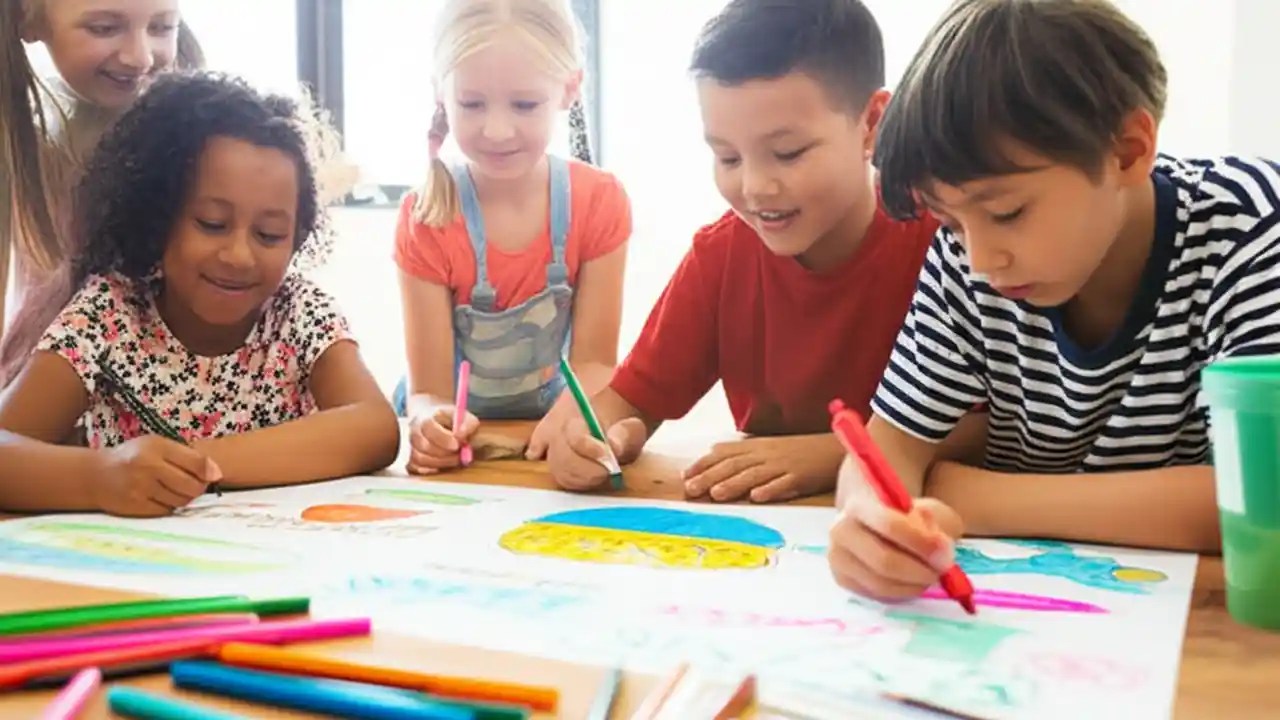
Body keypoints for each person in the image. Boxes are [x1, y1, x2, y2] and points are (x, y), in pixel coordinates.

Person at [827, 0, 1280, 603]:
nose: (982, 261)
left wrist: (977, 496)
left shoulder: (1249, 226)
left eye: (1007, 213)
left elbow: (1258, 497)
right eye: (950, 222)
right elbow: (891, 446)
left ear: (1126, 151)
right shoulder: (964, 257)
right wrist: (869, 521)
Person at [548, 0, 936, 503]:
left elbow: (992, 430)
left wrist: (831, 454)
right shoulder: (722, 255)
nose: (754, 187)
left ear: (871, 125)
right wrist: (591, 436)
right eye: (727, 156)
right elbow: (628, 402)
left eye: (788, 153)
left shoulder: (942, 241)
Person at [0, 72, 400, 517]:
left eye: (269, 235)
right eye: (211, 224)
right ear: (159, 217)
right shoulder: (109, 315)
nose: (239, 255)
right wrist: (97, 477)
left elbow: (375, 427)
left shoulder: (297, 313)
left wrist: (189, 462)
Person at [396, 0, 632, 475]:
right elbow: (428, 391)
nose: (497, 129)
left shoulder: (600, 201)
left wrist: (571, 423)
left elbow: (594, 365)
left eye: (524, 105)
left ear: (569, 89)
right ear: (441, 93)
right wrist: (430, 423)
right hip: (463, 441)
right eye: (472, 103)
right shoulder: (424, 216)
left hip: (550, 416)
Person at [0, 0, 202, 383]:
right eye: (105, 28)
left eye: (162, 27)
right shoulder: (30, 143)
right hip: (42, 384)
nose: (140, 58)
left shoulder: (198, 135)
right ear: (29, 17)